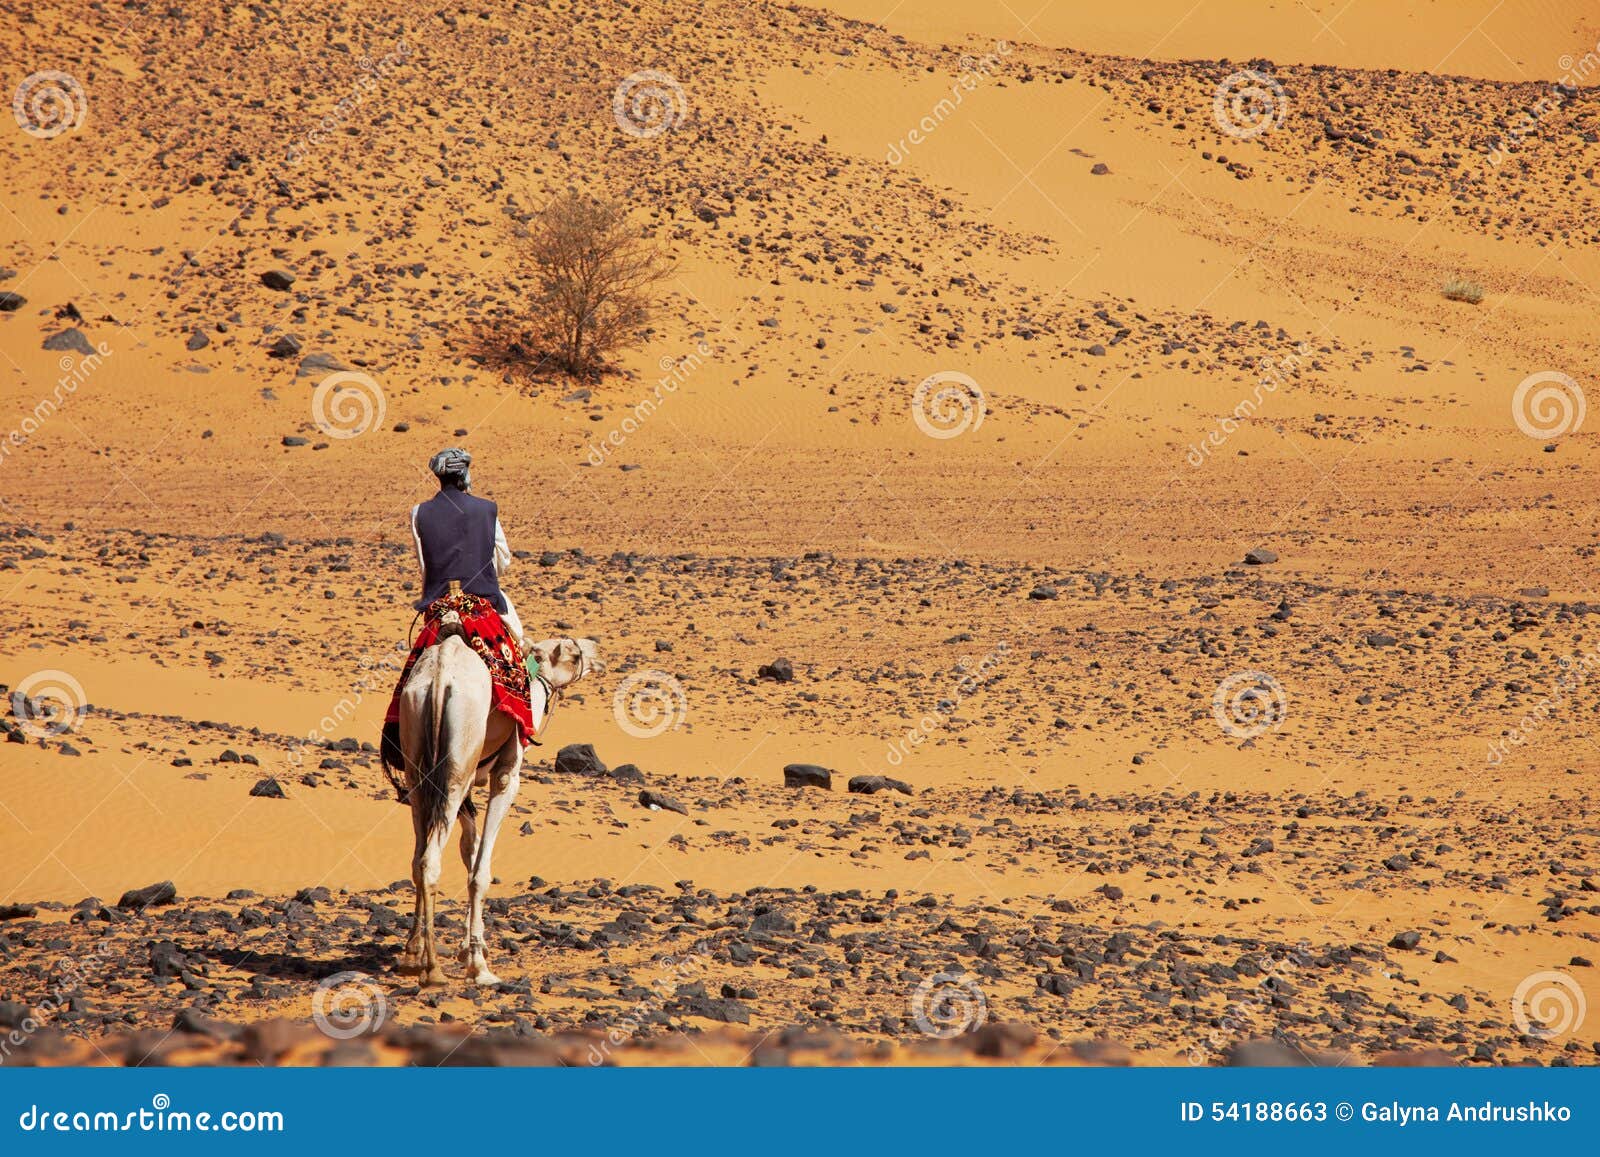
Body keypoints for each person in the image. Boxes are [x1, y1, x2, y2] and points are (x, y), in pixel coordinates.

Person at [410, 447, 524, 648]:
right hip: (482, 599)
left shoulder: (419, 512)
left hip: (438, 601)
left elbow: (424, 564)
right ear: (464, 474)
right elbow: (503, 560)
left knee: (415, 664)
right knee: (518, 649)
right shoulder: (487, 508)